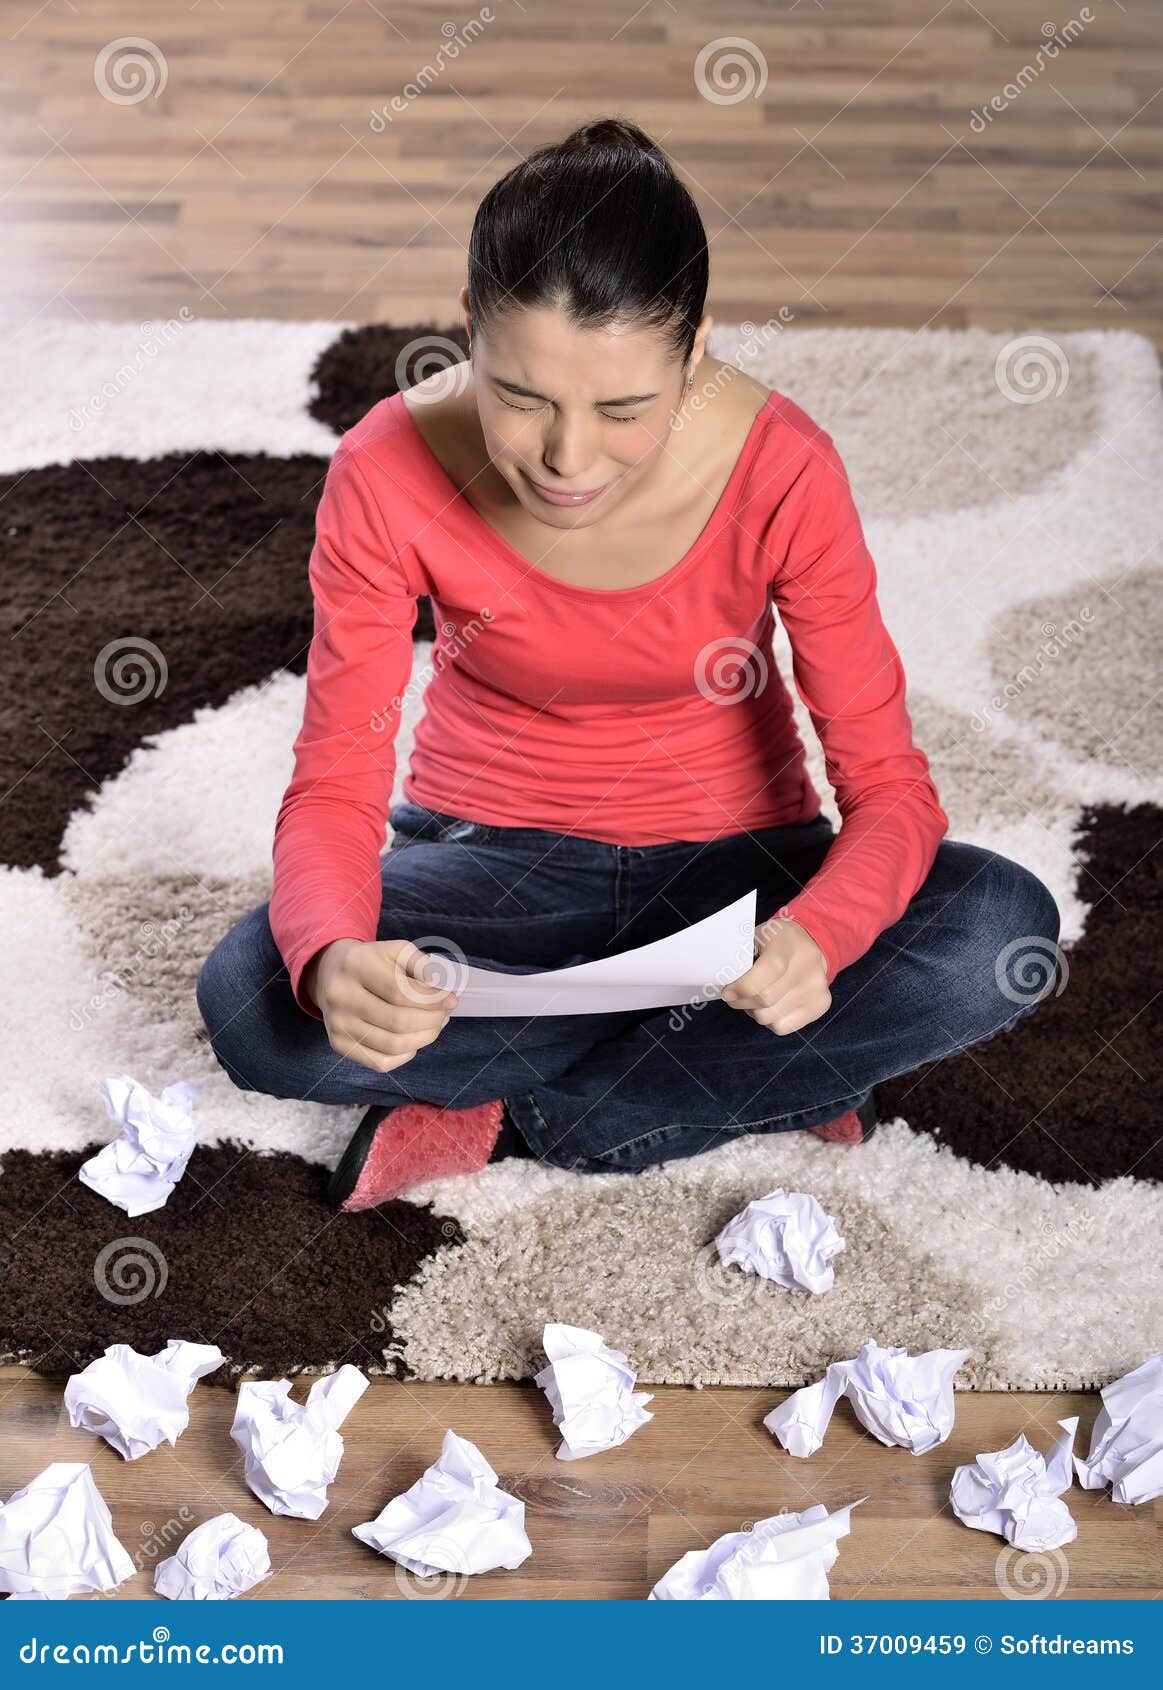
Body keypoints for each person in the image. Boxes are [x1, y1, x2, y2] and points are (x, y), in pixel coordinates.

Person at [196, 116, 1061, 1214]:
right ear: (468, 328)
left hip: (739, 873)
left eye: (621, 408)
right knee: (252, 997)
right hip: (490, 870)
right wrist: (330, 959)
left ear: (692, 356)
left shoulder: (783, 467)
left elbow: (890, 792)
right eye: (519, 395)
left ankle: (535, 1103)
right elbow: (333, 783)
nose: (565, 457)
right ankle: (727, 1084)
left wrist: (814, 937)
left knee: (994, 930)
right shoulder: (383, 468)